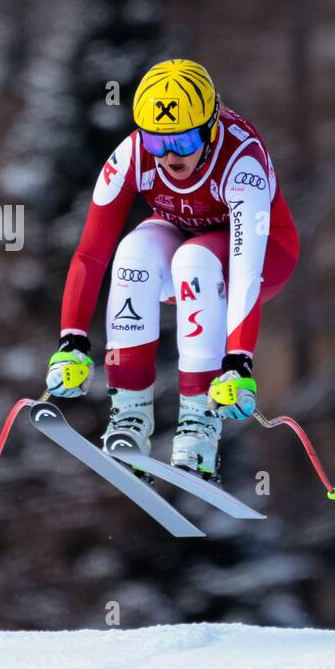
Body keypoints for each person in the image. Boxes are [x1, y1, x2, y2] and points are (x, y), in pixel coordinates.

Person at [45, 59, 299, 480]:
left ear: (211, 127)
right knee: (133, 252)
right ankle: (130, 417)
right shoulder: (132, 155)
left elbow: (245, 267)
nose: (168, 158)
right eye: (157, 144)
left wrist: (238, 362)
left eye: (182, 143)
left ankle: (199, 427)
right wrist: (72, 340)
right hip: (185, 248)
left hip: (262, 259)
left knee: (194, 260)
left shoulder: (242, 160)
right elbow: (91, 255)